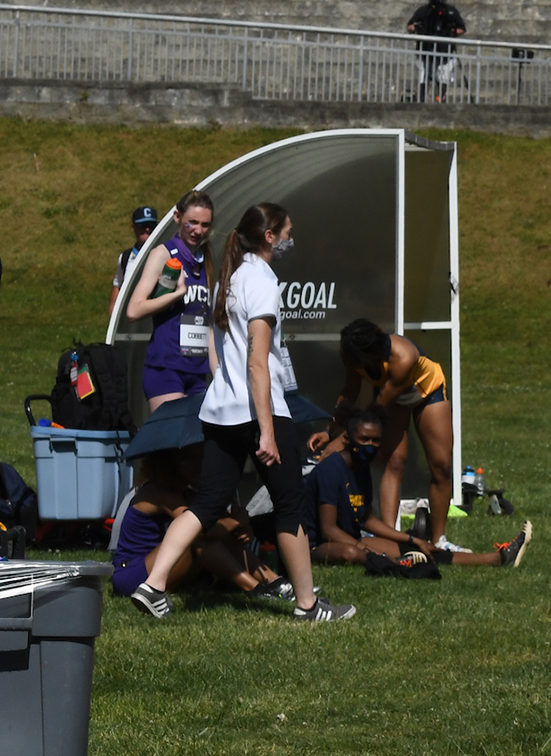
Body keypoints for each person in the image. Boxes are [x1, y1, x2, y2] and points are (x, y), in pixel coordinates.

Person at [129, 203, 355, 623]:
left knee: (206, 504)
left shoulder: (230, 279)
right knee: (290, 506)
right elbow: (257, 361)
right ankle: (308, 606)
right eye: (287, 232)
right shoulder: (261, 282)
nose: (291, 240)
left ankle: (153, 584)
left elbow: (224, 352)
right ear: (269, 236)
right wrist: (267, 431)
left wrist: (228, 393)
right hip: (258, 411)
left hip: (222, 412)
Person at [305, 408, 530, 568]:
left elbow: (368, 519)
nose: (371, 446)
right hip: (321, 546)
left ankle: (497, 558)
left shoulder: (360, 467)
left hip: (353, 537)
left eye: (376, 441)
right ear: (347, 438)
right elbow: (328, 530)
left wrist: (411, 539)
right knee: (351, 553)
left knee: (422, 550)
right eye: (364, 439)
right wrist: (363, 549)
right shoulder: (330, 470)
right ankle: (399, 565)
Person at [309, 318, 461, 553]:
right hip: (392, 399)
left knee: (441, 465)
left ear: (368, 353)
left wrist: (343, 439)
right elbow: (350, 392)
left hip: (426, 391)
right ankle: (391, 536)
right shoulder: (354, 354)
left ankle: (439, 539)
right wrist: (329, 431)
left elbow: (375, 411)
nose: (348, 363)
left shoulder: (403, 357)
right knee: (395, 462)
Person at [111, 445, 294, 602]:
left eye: (201, 457)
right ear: (169, 463)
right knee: (194, 535)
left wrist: (240, 529)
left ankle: (275, 582)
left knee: (214, 532)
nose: (197, 465)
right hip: (131, 575)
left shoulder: (186, 495)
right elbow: (204, 530)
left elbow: (222, 528)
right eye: (187, 459)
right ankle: (254, 589)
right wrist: (238, 520)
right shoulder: (157, 493)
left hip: (158, 569)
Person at [124, 191, 216, 412]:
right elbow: (133, 310)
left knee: (197, 443)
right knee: (173, 442)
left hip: (197, 370)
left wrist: (218, 373)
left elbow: (208, 324)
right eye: (191, 222)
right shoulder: (163, 254)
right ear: (177, 217)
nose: (198, 230)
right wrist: (176, 294)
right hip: (165, 368)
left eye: (205, 225)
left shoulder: (206, 260)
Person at [407, 0, 466, 103]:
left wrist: (451, 32)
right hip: (425, 51)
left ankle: (441, 100)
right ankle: (422, 99)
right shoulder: (424, 11)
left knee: (443, 78)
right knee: (423, 77)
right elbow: (409, 26)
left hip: (445, 52)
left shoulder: (450, 11)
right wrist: (415, 28)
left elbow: (461, 28)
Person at [109, 205, 158, 314]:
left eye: (152, 225)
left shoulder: (165, 255)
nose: (147, 229)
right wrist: (113, 313)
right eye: (142, 225)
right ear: (133, 227)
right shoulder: (125, 258)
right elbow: (118, 284)